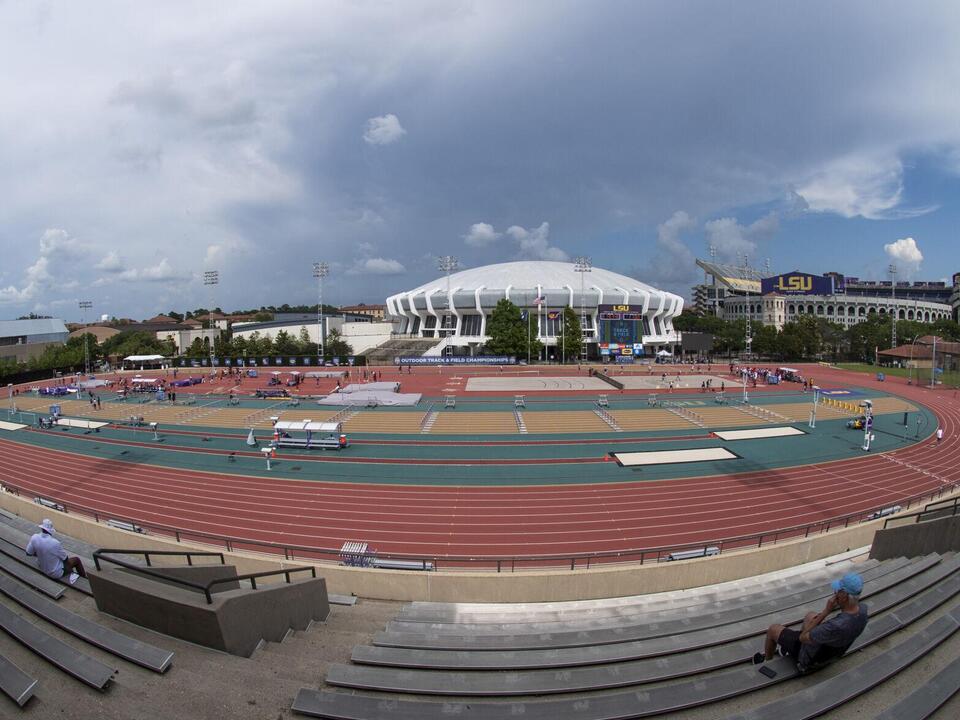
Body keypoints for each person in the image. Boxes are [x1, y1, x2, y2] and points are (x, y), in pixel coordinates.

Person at [753, 572, 868, 673]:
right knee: (810, 616)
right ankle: (790, 649)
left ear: (844, 596)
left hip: (811, 660)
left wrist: (825, 612)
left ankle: (768, 662)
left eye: (838, 591)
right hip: (833, 653)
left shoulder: (834, 626)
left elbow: (803, 637)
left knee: (773, 629)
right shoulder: (863, 611)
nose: (835, 593)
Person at [25, 519, 86, 584]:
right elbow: (65, 559)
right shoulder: (55, 543)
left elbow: (28, 553)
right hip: (55, 573)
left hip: (42, 567)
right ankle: (84, 579)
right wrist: (69, 569)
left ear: (42, 528)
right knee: (76, 559)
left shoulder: (34, 537)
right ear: (50, 530)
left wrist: (41, 553)